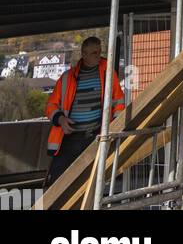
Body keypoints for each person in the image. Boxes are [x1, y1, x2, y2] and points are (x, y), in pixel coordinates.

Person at [43, 36, 125, 187]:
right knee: (58, 181)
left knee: (90, 182)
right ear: (84, 54)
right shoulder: (67, 78)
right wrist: (61, 119)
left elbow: (119, 102)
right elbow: (50, 105)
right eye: (94, 53)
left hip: (94, 137)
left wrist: (114, 127)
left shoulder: (108, 74)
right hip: (69, 139)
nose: (98, 55)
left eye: (99, 51)